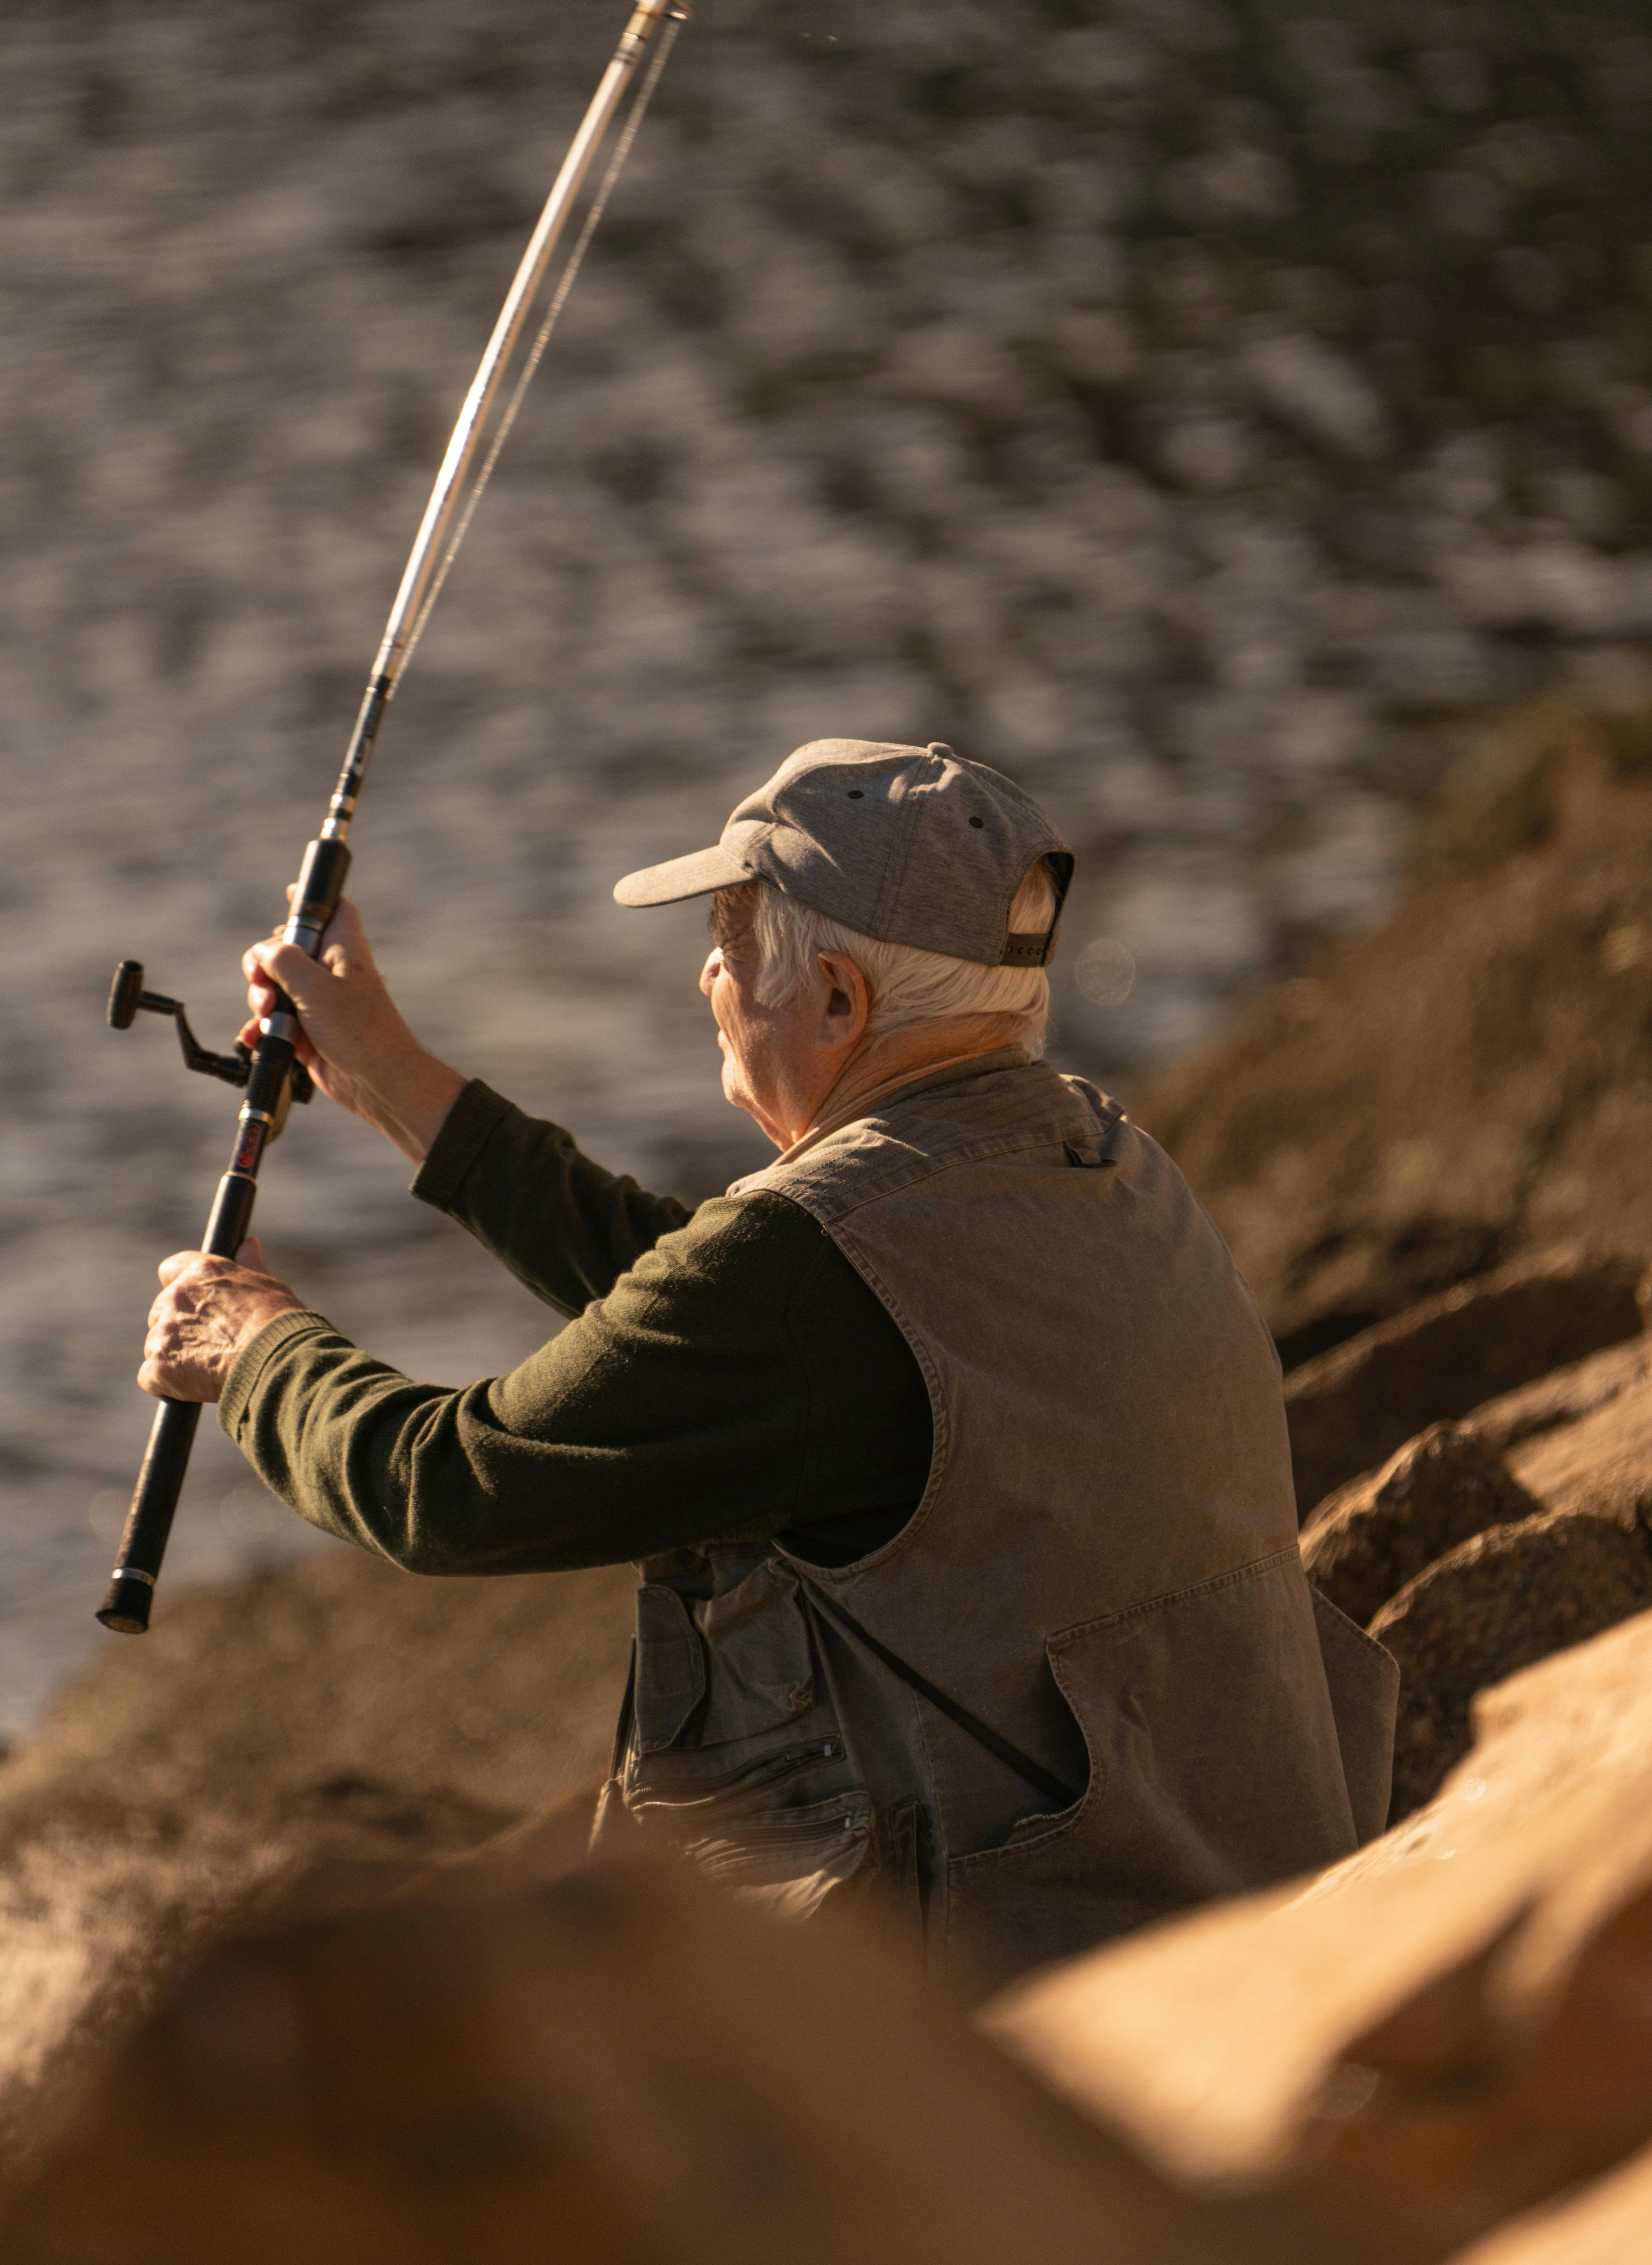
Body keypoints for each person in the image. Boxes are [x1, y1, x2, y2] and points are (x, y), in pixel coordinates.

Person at [142, 737, 1396, 1987]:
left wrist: (252, 1344)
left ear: (841, 1001)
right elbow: (718, 1324)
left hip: (1004, 2015)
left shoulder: (814, 1266)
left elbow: (448, 1486)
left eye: (733, 944)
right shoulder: (1104, 1160)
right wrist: (397, 1082)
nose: (707, 976)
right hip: (1250, 1907)